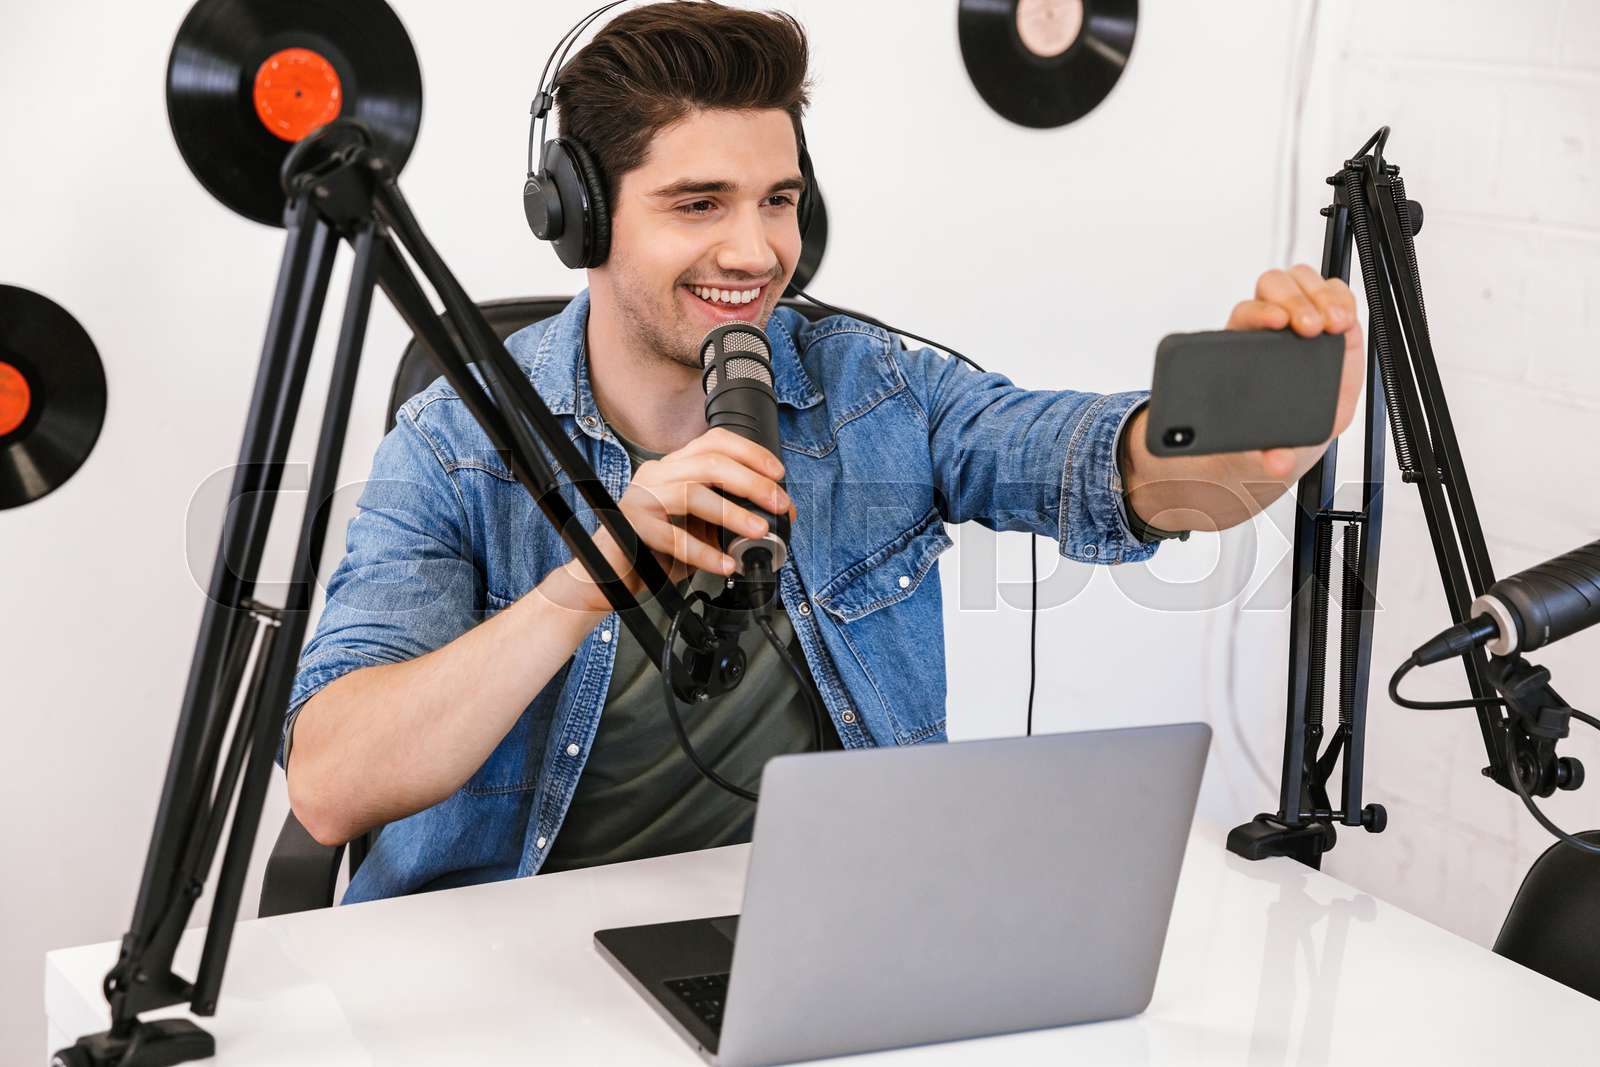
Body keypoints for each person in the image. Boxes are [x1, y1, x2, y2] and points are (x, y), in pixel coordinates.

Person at [277, 0, 1362, 904]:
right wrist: (588, 581)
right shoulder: (455, 443)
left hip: (818, 939)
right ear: (580, 217)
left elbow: (1100, 467)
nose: (755, 251)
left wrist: (1252, 443)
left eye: (779, 201)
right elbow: (330, 784)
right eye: (699, 204)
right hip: (514, 966)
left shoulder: (874, 389)